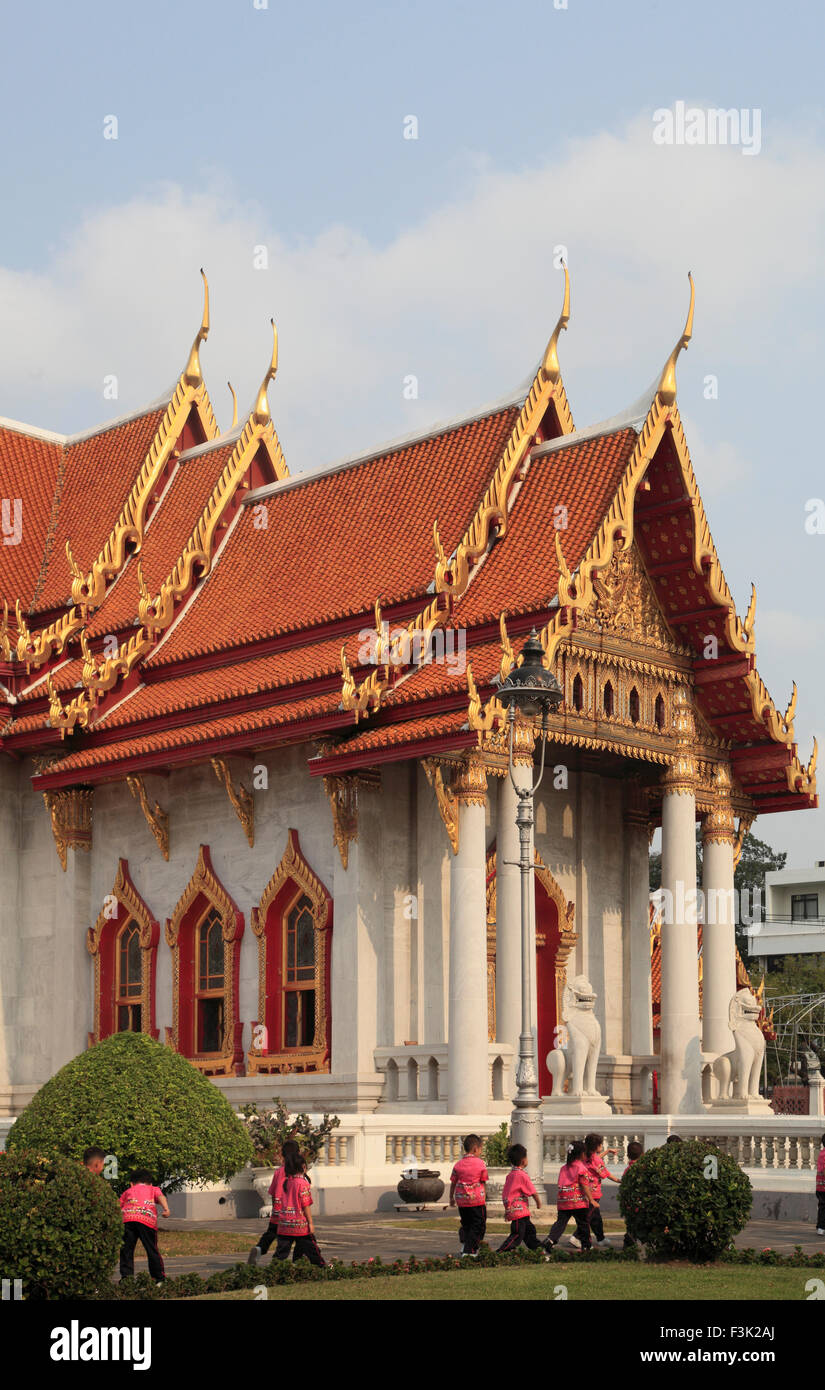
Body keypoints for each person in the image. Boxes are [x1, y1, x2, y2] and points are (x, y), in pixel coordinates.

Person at [248, 1139, 299, 1265]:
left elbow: (272, 1191)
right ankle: (284, 1262)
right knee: (291, 1239)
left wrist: (275, 1207)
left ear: (282, 1154)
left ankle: (260, 1248)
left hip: (277, 1209)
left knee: (271, 1232)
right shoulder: (295, 1171)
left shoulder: (278, 1171)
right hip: (290, 1212)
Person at [274, 1148, 326, 1266]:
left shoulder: (287, 1182)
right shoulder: (302, 1183)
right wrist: (310, 1223)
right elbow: (305, 1205)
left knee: (281, 1253)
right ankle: (322, 1268)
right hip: (300, 1224)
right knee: (313, 1250)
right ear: (303, 1167)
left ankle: (274, 1270)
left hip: (284, 1223)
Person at [119, 1169, 170, 1282]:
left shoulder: (128, 1191)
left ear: (131, 1183)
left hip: (128, 1219)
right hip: (146, 1220)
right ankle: (159, 1278)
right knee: (151, 1249)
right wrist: (166, 1209)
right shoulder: (153, 1189)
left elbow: (118, 1206)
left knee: (126, 1250)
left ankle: (126, 1279)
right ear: (150, 1183)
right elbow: (161, 1197)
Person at [497, 1144, 548, 1255]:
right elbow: (533, 1191)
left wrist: (508, 1208)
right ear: (523, 1160)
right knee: (517, 1234)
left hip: (518, 1211)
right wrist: (539, 1203)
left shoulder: (510, 1175)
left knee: (529, 1231)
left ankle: (538, 1248)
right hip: (519, 1211)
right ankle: (502, 1251)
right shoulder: (522, 1175)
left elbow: (507, 1192)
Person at [546, 1141, 595, 1251]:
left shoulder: (563, 1168)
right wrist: (591, 1199)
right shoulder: (581, 1167)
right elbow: (584, 1185)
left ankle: (550, 1240)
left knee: (560, 1223)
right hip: (578, 1201)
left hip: (564, 1201)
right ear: (581, 1154)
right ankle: (587, 1245)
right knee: (583, 1224)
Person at [449, 1134, 489, 1256]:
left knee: (466, 1224)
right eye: (481, 1149)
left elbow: (453, 1182)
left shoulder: (458, 1164)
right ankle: (470, 1250)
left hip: (462, 1200)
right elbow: (483, 1181)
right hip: (476, 1200)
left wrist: (451, 1197)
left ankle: (465, 1244)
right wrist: (485, 1196)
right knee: (479, 1225)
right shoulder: (481, 1164)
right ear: (476, 1149)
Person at [582, 1133, 619, 1249]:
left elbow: (596, 1160)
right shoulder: (596, 1161)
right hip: (593, 1192)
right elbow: (606, 1174)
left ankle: (600, 1238)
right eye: (601, 1144)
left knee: (595, 1217)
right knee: (587, 1218)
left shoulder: (585, 1156)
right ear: (596, 1146)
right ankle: (577, 1237)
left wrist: (607, 1151)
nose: (602, 1146)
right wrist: (620, 1180)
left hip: (587, 1190)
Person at [621, 1139, 644, 1249]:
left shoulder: (628, 1170)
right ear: (643, 1154)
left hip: (629, 1204)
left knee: (632, 1226)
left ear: (628, 1155)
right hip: (640, 1204)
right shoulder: (643, 1170)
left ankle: (629, 1243)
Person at [816, 1132, 825, 1236]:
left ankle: (821, 1227)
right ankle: (822, 1226)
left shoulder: (821, 1153)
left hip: (820, 1186)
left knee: (822, 1206)